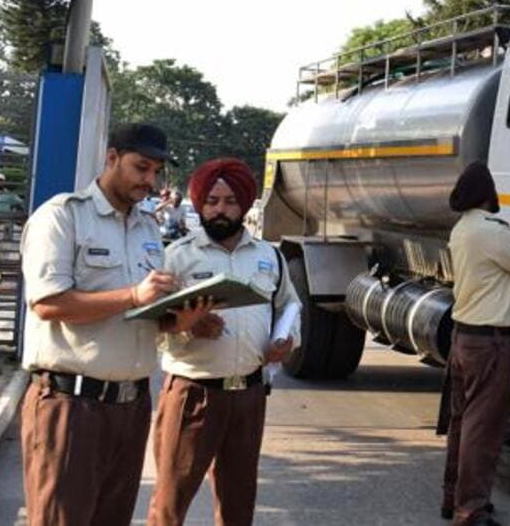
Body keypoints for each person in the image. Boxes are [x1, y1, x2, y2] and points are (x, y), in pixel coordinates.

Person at [18, 123, 215, 526]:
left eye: (156, 171)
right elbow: (48, 303)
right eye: (140, 168)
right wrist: (133, 295)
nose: (150, 180)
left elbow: (141, 316)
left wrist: (181, 321)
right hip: (71, 406)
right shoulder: (63, 216)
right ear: (111, 158)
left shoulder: (145, 227)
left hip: (131, 406)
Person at [148, 158, 301, 526]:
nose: (220, 209)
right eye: (212, 200)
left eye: (230, 201)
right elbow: (152, 323)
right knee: (171, 502)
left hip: (248, 397)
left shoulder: (270, 257)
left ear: (244, 204)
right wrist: (188, 326)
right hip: (193, 395)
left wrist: (287, 340)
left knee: (238, 502)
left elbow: (289, 304)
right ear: (199, 203)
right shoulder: (176, 256)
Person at [440, 162, 510, 526]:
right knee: (482, 431)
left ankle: (452, 498)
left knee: (462, 424)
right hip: (491, 345)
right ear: (487, 194)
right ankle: (471, 510)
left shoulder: (463, 229)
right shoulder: (491, 232)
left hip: (463, 338)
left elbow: (498, 259)